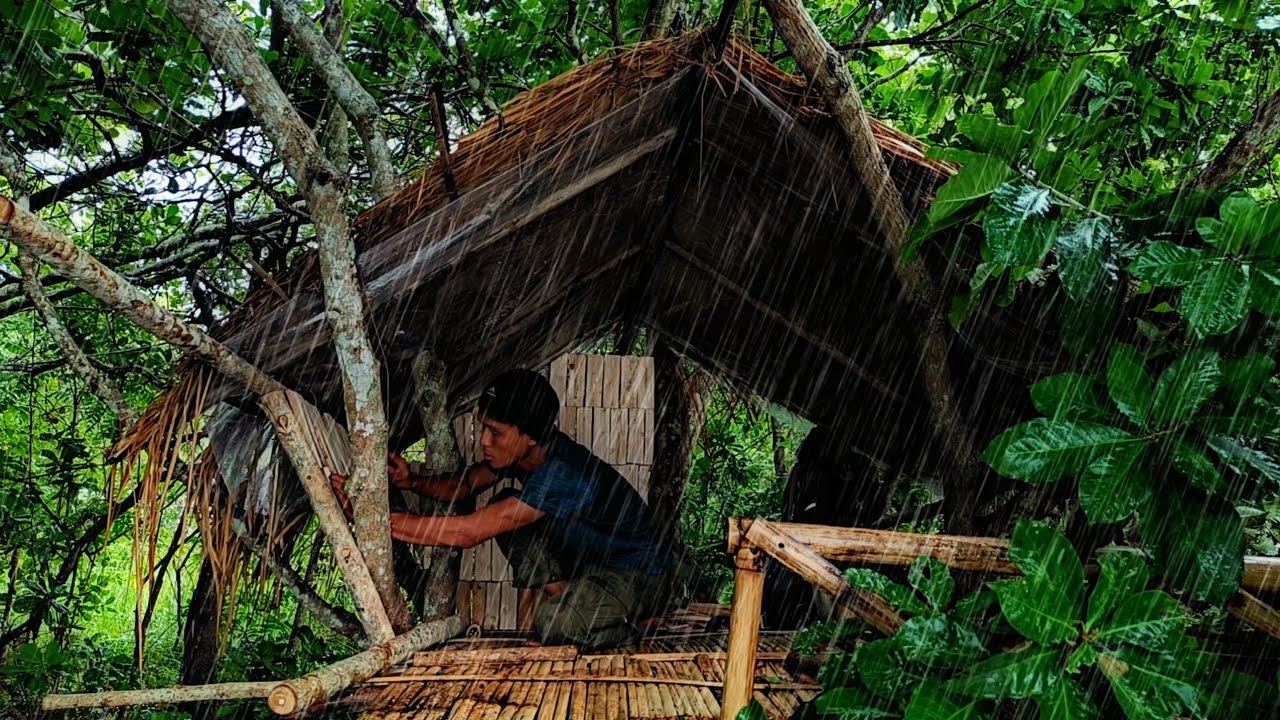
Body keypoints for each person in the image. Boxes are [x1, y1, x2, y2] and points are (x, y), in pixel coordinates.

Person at [333, 369, 673, 650]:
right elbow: (465, 485)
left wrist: (371, 521)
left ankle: (633, 627)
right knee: (502, 502)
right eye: (483, 427)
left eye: (495, 431)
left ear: (529, 437)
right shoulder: (526, 456)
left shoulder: (561, 474)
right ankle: (574, 602)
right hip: (595, 563)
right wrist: (411, 482)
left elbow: (467, 533)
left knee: (552, 625)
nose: (483, 440)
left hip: (640, 573)